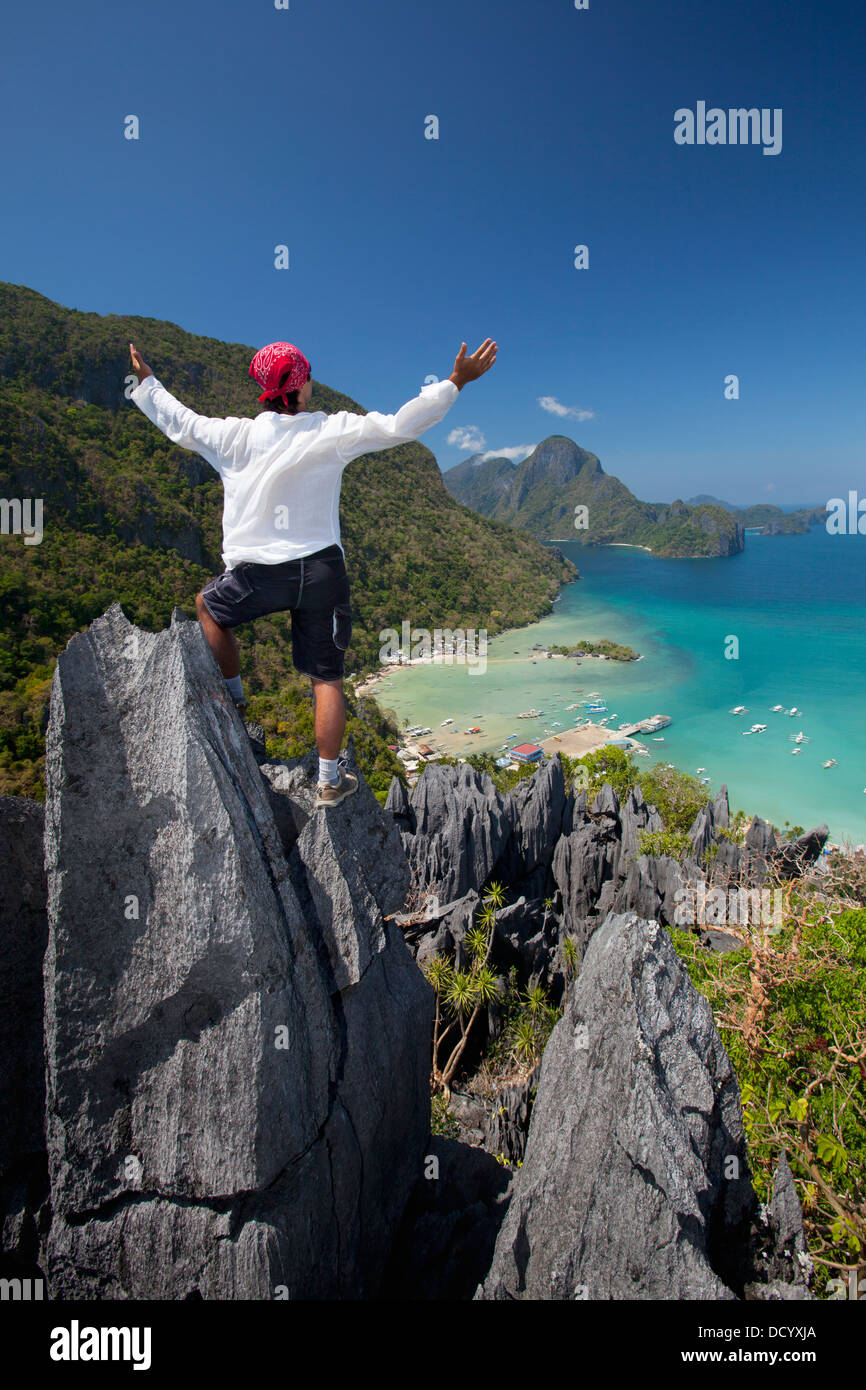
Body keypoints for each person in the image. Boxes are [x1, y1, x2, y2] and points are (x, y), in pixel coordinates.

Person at [127, 335, 497, 807]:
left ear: (264, 390)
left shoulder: (232, 436)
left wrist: (148, 382)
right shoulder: (329, 430)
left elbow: (179, 422)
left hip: (258, 575)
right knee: (327, 677)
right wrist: (455, 383)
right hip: (321, 572)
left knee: (209, 607)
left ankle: (234, 703)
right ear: (300, 386)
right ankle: (328, 780)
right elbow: (400, 425)